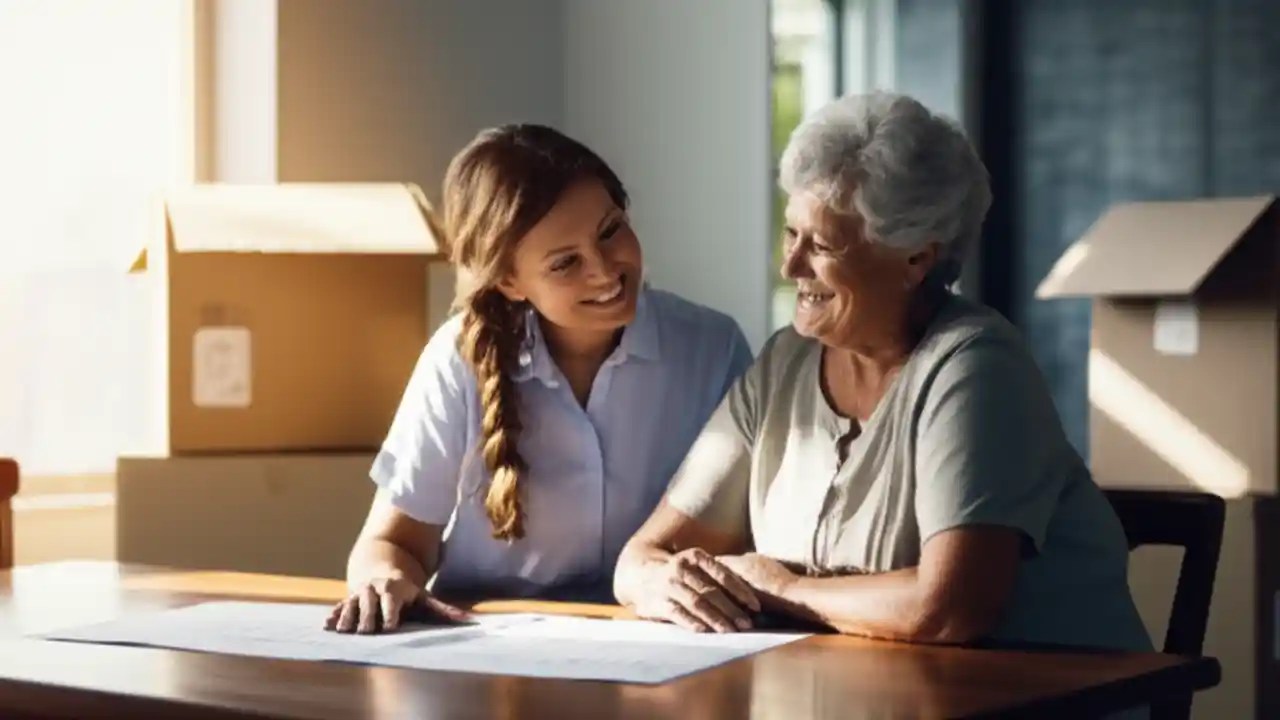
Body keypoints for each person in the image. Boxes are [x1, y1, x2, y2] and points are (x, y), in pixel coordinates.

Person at [614, 92, 1152, 654]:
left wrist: (783, 587)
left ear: (916, 258)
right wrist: (662, 582)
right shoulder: (784, 364)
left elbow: (949, 608)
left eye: (820, 244)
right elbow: (640, 559)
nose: (790, 266)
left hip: (1045, 699)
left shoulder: (975, 368)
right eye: (790, 233)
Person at [327, 124, 752, 634]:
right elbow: (392, 544)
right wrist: (384, 579)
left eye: (611, 230)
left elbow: (746, 531)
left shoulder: (713, 347)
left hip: (659, 649)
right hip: (490, 657)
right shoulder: (458, 360)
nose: (604, 270)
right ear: (510, 281)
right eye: (565, 263)